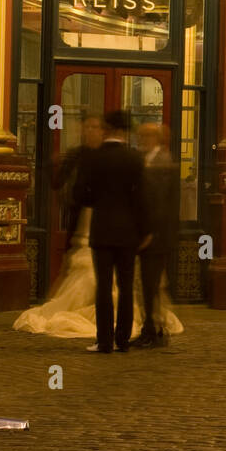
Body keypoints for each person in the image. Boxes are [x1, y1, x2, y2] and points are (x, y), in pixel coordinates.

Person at [72, 110, 147, 353]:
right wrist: (144, 229)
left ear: (107, 129)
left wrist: (98, 201)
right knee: (126, 287)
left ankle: (104, 340)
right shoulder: (135, 158)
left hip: (102, 229)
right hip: (128, 232)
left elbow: (80, 195)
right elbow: (143, 198)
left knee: (103, 287)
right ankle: (123, 340)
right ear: (124, 130)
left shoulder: (94, 158)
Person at [134, 122, 179, 349]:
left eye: (147, 135)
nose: (142, 139)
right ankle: (151, 328)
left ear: (158, 138)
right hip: (150, 234)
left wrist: (149, 232)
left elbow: (158, 204)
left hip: (156, 236)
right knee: (147, 285)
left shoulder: (162, 162)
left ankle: (154, 330)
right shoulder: (147, 159)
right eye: (141, 135)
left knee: (151, 285)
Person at [52, 115, 103, 244]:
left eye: (94, 127)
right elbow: (58, 182)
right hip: (77, 213)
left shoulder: (107, 154)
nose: (90, 130)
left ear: (102, 131)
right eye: (87, 127)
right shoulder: (75, 154)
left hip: (101, 216)